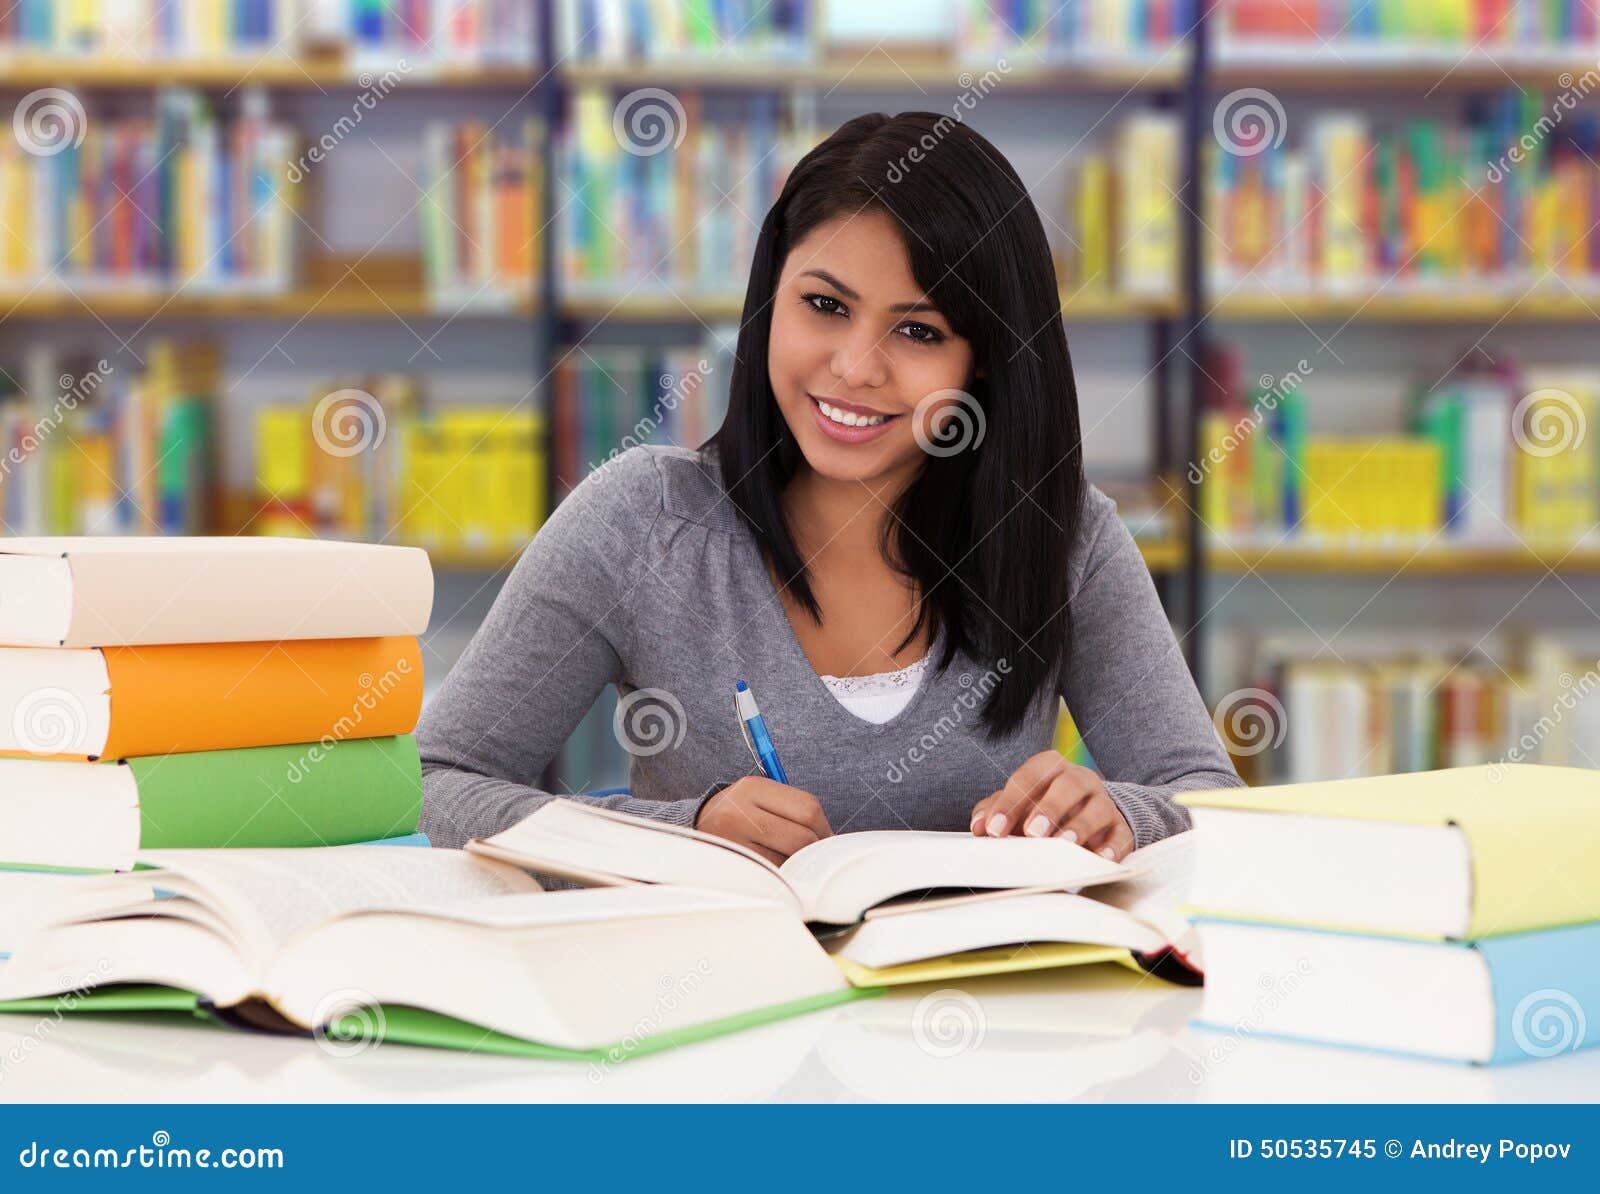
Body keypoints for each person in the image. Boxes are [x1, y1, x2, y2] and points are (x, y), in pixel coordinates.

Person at [417, 111, 1243, 865]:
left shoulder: (1065, 535)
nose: (854, 369)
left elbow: (1210, 803)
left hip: (988, 1014)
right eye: (823, 305)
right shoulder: (641, 522)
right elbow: (434, 781)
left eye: (918, 330)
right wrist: (684, 831)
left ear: (982, 358)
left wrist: (1125, 818)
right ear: (770, 300)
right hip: (709, 1007)